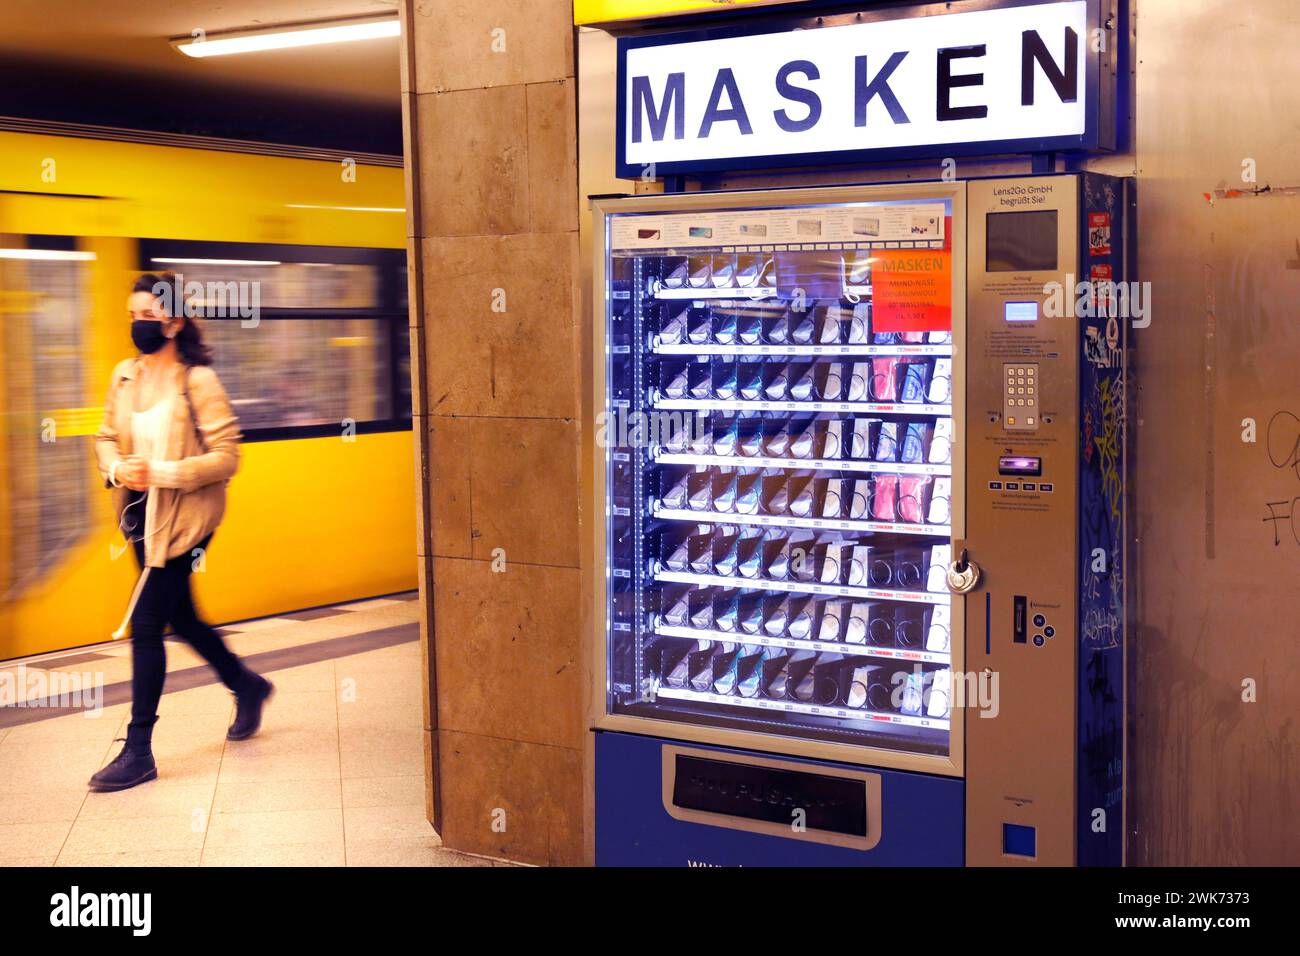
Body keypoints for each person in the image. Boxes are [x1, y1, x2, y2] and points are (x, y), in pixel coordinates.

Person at [89, 272, 273, 792]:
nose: (137, 326)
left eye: (147, 316)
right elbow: (104, 436)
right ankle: (247, 685)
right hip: (139, 517)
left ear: (172, 321)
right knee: (181, 617)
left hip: (189, 522)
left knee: (147, 624)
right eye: (131, 317)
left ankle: (138, 750)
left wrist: (168, 473)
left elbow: (227, 457)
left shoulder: (198, 381)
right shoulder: (124, 375)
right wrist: (118, 469)